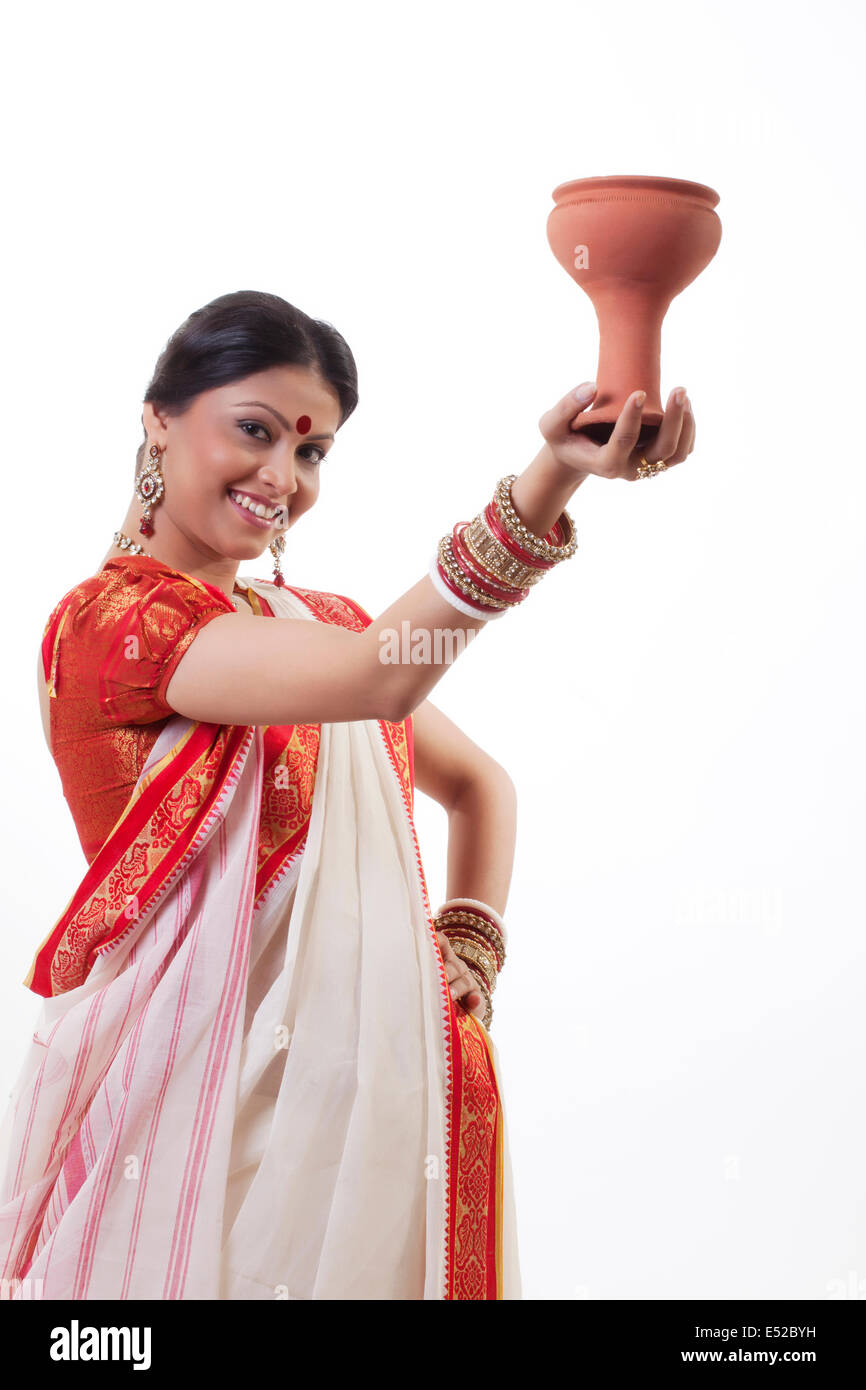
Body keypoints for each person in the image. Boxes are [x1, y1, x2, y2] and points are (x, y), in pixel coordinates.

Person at [0, 289, 694, 1301]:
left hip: (354, 1145)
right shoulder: (115, 625)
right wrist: (553, 477)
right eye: (255, 430)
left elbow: (479, 786)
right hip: (184, 1136)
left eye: (312, 450)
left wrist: (467, 947)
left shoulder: (308, 624)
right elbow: (382, 675)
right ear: (159, 416)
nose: (282, 477)